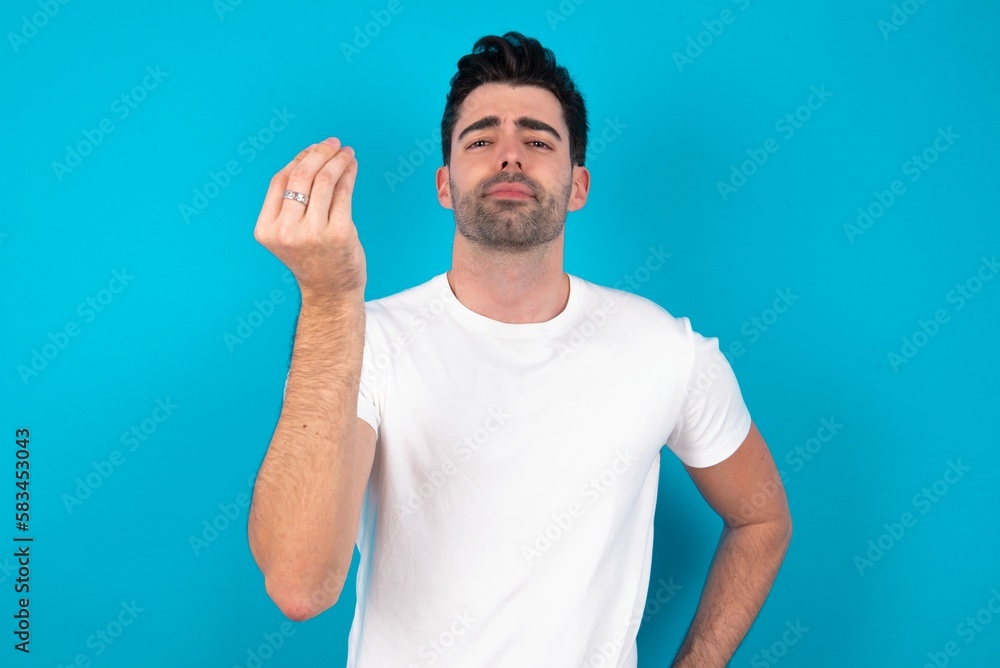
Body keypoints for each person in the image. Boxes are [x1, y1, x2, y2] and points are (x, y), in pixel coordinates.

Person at [247, 31, 792, 668]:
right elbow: (298, 584)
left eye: (537, 140)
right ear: (445, 185)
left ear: (578, 184)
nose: (510, 157)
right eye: (481, 140)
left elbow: (762, 520)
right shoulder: (361, 340)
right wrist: (328, 295)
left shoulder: (667, 352)